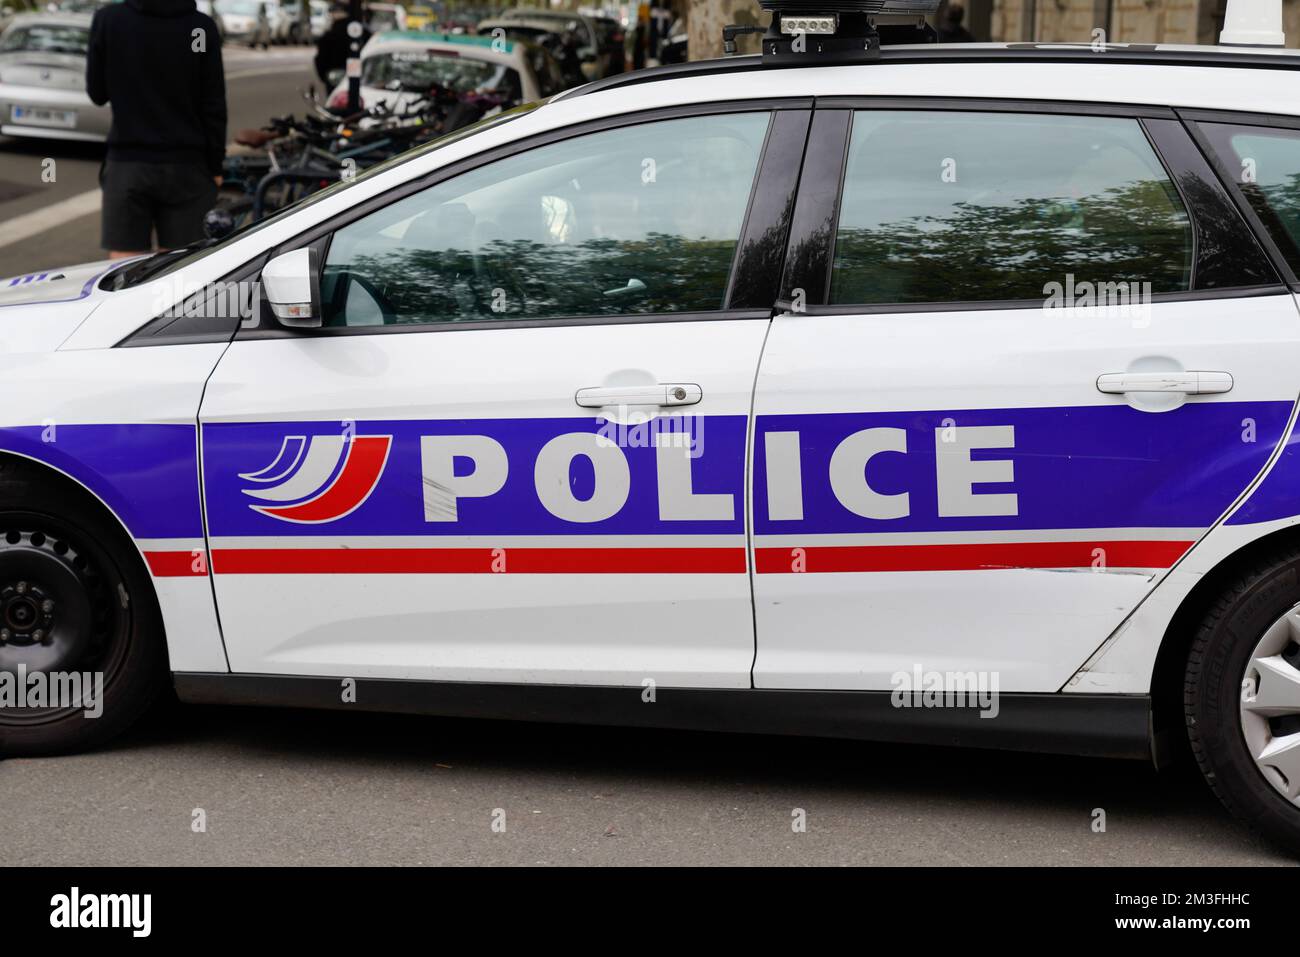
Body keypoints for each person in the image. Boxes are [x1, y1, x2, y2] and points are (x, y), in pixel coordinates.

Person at [87, 0, 227, 258]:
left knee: (123, 272)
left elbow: (97, 93)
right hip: (188, 168)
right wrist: (216, 166)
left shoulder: (109, 20)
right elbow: (214, 105)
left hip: (128, 165)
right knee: (179, 273)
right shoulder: (201, 27)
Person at [314, 1, 369, 88]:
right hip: (360, 80)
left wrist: (326, 78)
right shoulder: (363, 33)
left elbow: (320, 60)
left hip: (334, 79)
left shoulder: (329, 35)